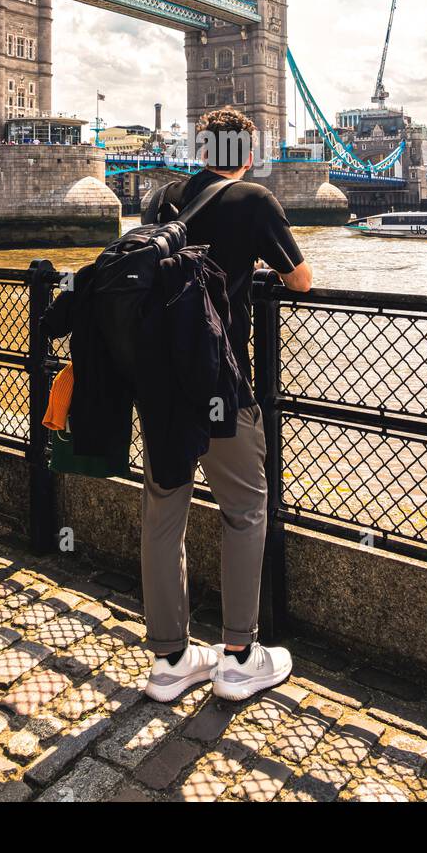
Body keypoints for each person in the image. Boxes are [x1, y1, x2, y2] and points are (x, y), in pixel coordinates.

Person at [142, 106, 313, 704]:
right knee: (244, 509)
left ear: (198, 149)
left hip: (160, 389)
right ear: (246, 152)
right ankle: (239, 657)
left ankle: (170, 661)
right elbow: (302, 280)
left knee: (164, 513)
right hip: (219, 383)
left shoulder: (162, 203)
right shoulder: (253, 201)